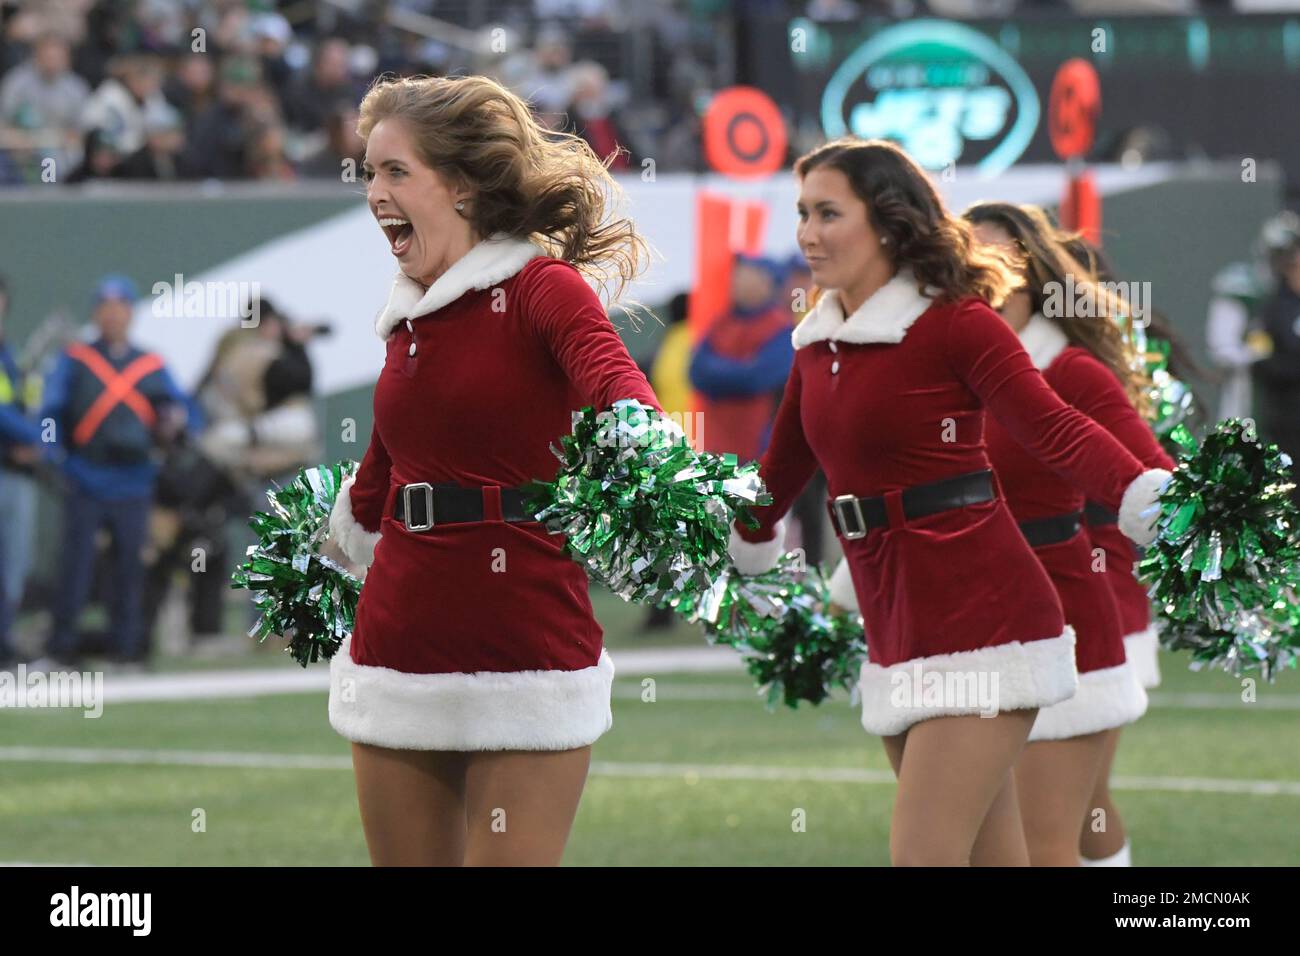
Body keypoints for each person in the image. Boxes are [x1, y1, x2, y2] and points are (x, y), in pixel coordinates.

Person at [728, 138, 1170, 866]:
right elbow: (775, 478)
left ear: (890, 223)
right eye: (803, 212)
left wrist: (1146, 496)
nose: (807, 232)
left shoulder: (957, 324)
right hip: (894, 620)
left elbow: (1054, 426)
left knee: (924, 855)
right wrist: (699, 533)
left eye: (829, 213)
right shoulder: (816, 343)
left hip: (986, 618)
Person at [324, 73, 667, 866]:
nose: (375, 191)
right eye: (368, 173)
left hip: (527, 637)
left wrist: (640, 437)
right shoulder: (408, 318)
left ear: (464, 185)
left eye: (395, 172)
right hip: (399, 638)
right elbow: (388, 467)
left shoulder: (541, 288)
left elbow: (613, 378)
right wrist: (325, 554)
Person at [964, 201, 1176, 866]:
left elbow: (1154, 478)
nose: (972, 270)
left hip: (1076, 603)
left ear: (1030, 274)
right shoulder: (952, 370)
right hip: (976, 617)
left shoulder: (1071, 370)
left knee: (1054, 826)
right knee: (1014, 830)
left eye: (991, 256)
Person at [34, 274, 202, 670]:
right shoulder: (76, 359)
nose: (113, 316)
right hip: (86, 476)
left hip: (134, 480)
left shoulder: (150, 364)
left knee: (129, 568)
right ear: (96, 314)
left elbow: (185, 410)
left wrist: (181, 428)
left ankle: (128, 650)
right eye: (105, 308)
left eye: (120, 307)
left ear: (130, 313)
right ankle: (63, 648)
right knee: (75, 567)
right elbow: (51, 410)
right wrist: (53, 452)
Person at [689, 253, 795, 463]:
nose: (737, 280)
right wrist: (739, 369)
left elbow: (756, 379)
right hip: (713, 449)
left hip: (757, 452)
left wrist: (718, 372)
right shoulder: (721, 323)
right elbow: (695, 372)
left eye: (746, 274)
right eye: (737, 274)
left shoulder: (783, 328)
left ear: (767, 282)